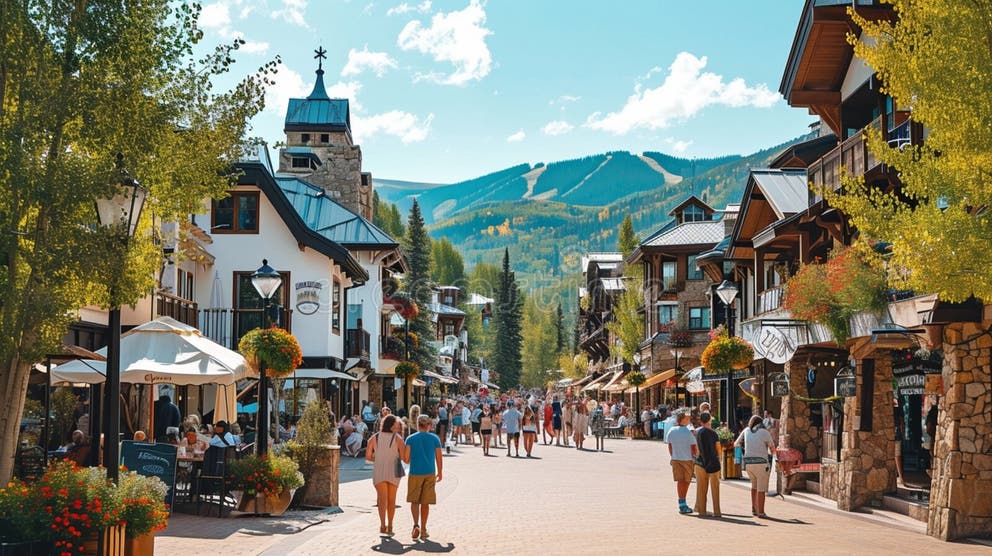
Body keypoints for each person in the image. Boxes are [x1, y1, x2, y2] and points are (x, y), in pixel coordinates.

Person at [402, 415, 443, 541]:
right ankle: (424, 529)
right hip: (430, 472)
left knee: (414, 501)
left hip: (415, 472)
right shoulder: (435, 438)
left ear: (417, 425)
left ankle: (416, 525)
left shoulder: (410, 439)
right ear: (429, 425)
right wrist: (440, 472)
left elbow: (406, 459)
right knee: (425, 502)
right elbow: (439, 457)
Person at [366, 415, 405, 537]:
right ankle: (390, 525)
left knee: (382, 500)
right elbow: (404, 457)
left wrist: (378, 459)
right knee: (392, 500)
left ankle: (382, 525)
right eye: (397, 424)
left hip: (379, 471)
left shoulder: (374, 437)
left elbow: (368, 457)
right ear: (392, 425)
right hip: (393, 472)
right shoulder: (398, 438)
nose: (398, 427)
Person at [735, 414, 775, 518]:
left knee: (754, 486)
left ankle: (754, 509)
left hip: (748, 463)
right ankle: (761, 512)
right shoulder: (764, 432)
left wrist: (744, 450)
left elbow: (736, 443)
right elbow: (772, 448)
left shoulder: (746, 430)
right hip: (761, 463)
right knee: (761, 488)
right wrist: (774, 456)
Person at [667, 410, 698, 514]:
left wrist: (673, 456)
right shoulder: (688, 432)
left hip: (676, 459)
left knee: (680, 481)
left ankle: (681, 503)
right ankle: (682, 503)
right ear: (682, 419)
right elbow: (693, 448)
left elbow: (670, 445)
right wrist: (696, 457)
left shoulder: (671, 430)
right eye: (687, 418)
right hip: (687, 459)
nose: (689, 420)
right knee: (686, 481)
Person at [694, 412, 722, 517]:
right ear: (710, 420)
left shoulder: (697, 432)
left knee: (701, 489)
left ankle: (702, 511)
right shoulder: (713, 433)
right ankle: (717, 511)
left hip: (700, 463)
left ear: (700, 421)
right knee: (715, 489)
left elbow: (696, 449)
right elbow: (718, 449)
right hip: (713, 463)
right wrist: (720, 460)